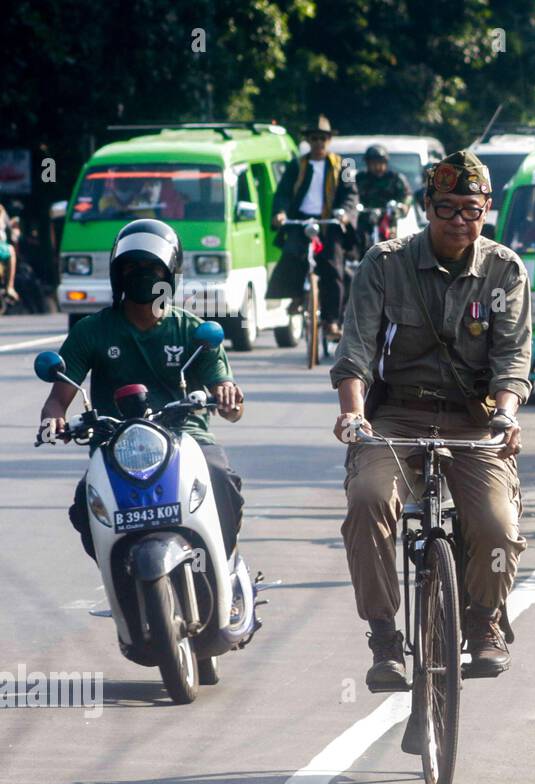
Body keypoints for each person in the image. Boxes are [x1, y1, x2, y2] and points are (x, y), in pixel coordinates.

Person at [331, 150, 530, 689]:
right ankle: (384, 636)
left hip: (474, 423)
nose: (459, 221)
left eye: (471, 209)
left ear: (487, 208)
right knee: (368, 500)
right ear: (426, 207)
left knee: (496, 525)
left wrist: (506, 416)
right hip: (395, 417)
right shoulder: (384, 263)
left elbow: (512, 359)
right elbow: (355, 352)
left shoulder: (505, 270)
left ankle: (484, 621)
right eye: (446, 208)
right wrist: (353, 414)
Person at [37, 219, 245, 560]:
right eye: (131, 266)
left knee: (220, 477)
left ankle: (224, 563)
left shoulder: (193, 331)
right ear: (117, 274)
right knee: (84, 504)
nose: (141, 273)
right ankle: (118, 574)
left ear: (169, 274)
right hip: (114, 443)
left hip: (187, 438)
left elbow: (227, 393)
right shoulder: (92, 330)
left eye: (151, 267)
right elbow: (57, 400)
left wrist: (228, 396)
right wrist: (53, 421)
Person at [271, 116, 358, 340]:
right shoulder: (295, 164)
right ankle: (297, 297)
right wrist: (280, 213)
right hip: (301, 220)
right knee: (291, 254)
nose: (319, 143)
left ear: (329, 140)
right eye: (314, 138)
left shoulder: (346, 164)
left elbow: (351, 194)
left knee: (333, 269)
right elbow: (282, 194)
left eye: (323, 138)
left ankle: (331, 322)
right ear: (308, 141)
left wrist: (345, 214)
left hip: (330, 222)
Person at [354, 144, 413, 247]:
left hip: (390, 218)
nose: (377, 166)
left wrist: (404, 206)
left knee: (395, 242)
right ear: (367, 163)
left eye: (380, 162)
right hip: (365, 218)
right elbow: (351, 196)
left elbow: (407, 195)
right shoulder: (360, 178)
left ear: (385, 162)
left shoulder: (395, 178)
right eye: (373, 163)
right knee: (357, 240)